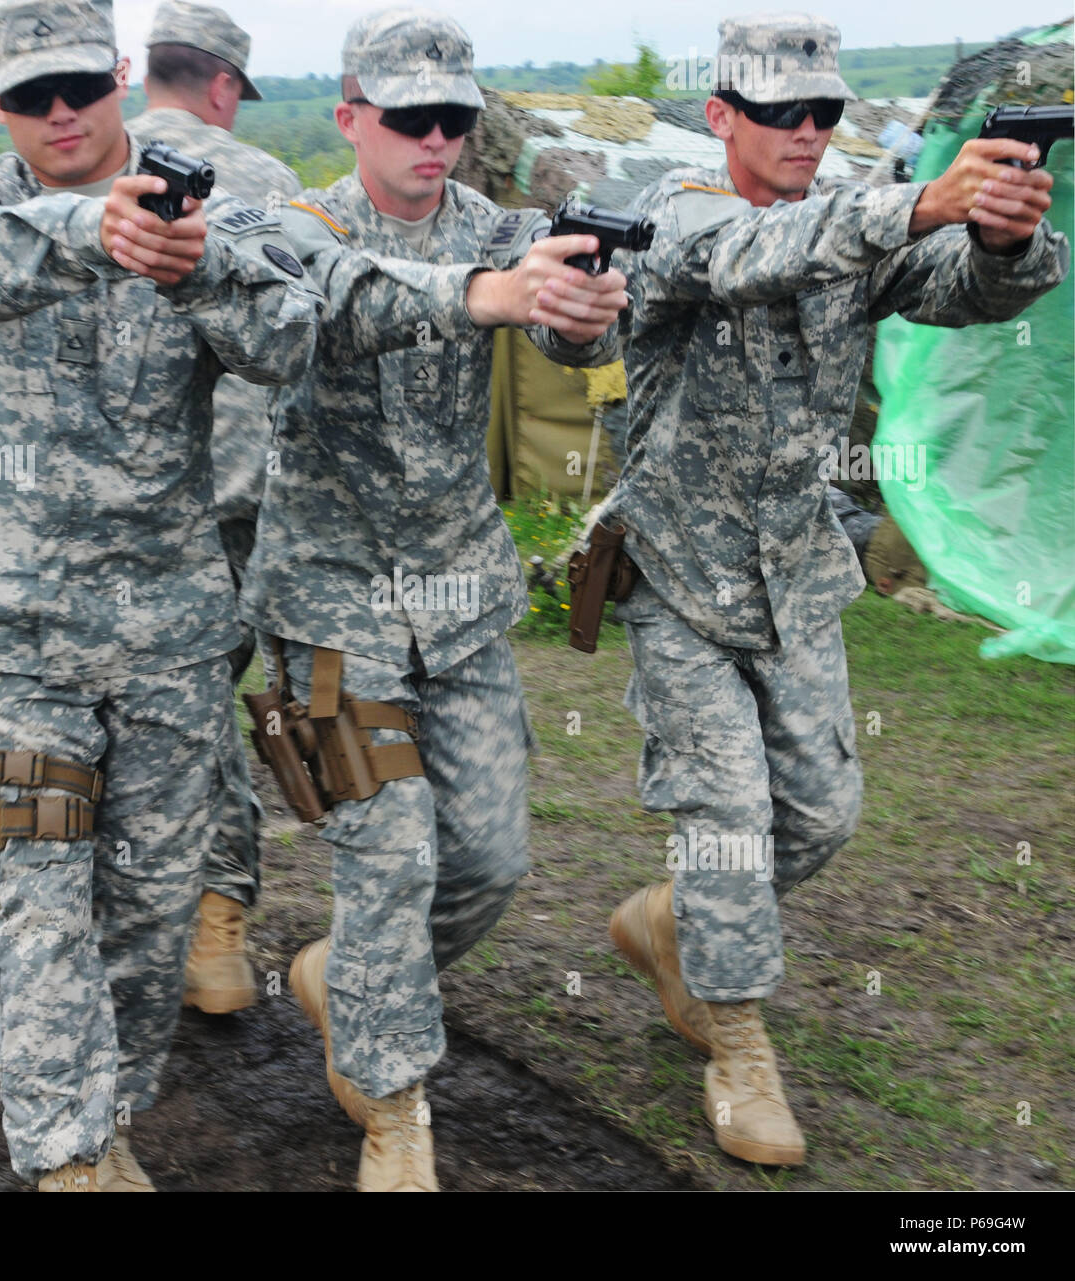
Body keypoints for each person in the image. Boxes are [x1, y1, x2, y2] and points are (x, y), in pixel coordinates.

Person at [585, 12, 1067, 1166]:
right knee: (727, 821)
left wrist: (1000, 237)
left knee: (820, 813)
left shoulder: (852, 216)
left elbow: (962, 294)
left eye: (825, 113)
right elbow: (755, 255)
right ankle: (736, 1043)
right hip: (681, 574)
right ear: (720, 117)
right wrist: (918, 201)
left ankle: (671, 924)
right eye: (780, 112)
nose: (807, 131)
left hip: (796, 571)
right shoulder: (673, 210)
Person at [0, 0, 325, 1190]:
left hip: (170, 636)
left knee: (147, 914)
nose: (59, 114)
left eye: (80, 87)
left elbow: (289, 336)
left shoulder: (213, 205)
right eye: (30, 97)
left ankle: (113, 1109)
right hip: (17, 632)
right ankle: (70, 1157)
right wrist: (98, 228)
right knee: (42, 897)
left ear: (121, 77)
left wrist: (195, 275)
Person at [245, 7, 628, 1190]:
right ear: (350, 114)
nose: (434, 141)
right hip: (329, 607)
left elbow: (561, 318)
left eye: (455, 119)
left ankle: (347, 982)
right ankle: (395, 1101)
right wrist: (490, 295)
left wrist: (575, 303)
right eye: (408, 117)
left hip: (458, 603)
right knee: (390, 857)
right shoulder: (292, 226)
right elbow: (339, 298)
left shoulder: (503, 227)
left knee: (491, 863)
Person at [127, 1, 304, 1017]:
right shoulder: (263, 182)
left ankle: (145, 910)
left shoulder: (84, 169)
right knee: (202, 696)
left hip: (105, 503)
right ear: (226, 85)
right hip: (232, 493)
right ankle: (216, 925)